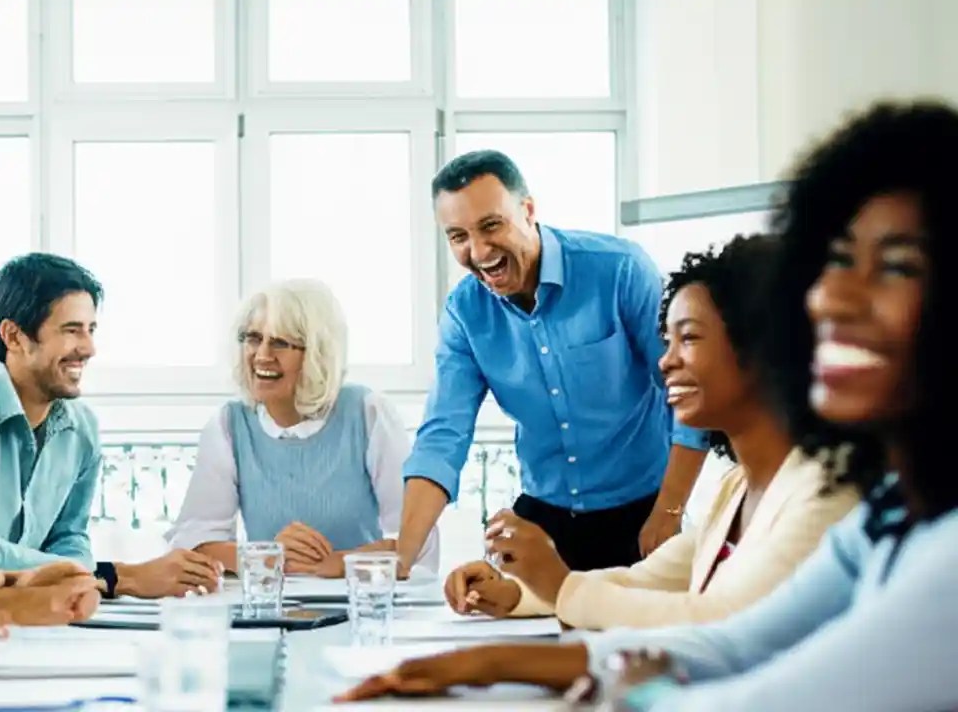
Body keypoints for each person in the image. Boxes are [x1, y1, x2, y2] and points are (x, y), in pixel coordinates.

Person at [337, 100, 958, 712]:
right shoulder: (874, 511)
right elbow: (726, 643)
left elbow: (737, 664)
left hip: (637, 503)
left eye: (897, 266)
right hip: (552, 507)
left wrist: (625, 663)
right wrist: (488, 655)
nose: (828, 299)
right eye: (838, 262)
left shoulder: (854, 510)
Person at [442, 235, 857, 628]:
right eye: (667, 341)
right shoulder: (737, 491)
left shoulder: (828, 489)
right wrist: (518, 593)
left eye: (688, 338)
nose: (664, 362)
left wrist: (557, 583)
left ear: (763, 349)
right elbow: (638, 582)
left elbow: (726, 622)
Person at [395, 150, 710, 576]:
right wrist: (402, 557)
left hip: (644, 513)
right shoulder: (464, 313)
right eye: (458, 236)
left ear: (527, 210)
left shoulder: (621, 271)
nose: (479, 251)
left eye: (491, 225)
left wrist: (670, 509)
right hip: (544, 518)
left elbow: (688, 390)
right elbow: (443, 435)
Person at [0, 253, 219, 598]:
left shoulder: (81, 429)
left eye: (91, 330)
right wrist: (118, 577)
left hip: (10, 607)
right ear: (14, 337)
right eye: (71, 331)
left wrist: (85, 584)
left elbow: (68, 539)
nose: (89, 348)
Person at [166, 279, 438, 578]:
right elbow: (193, 545)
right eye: (253, 338)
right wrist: (269, 555)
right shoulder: (229, 425)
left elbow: (417, 542)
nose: (262, 355)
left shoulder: (368, 413)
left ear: (318, 353)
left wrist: (339, 563)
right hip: (269, 600)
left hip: (358, 596)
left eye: (280, 343)